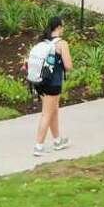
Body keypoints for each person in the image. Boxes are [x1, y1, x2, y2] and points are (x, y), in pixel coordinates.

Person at [27, 16, 72, 155]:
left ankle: (57, 140)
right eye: (62, 26)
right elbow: (68, 66)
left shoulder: (43, 42)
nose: (63, 29)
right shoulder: (61, 44)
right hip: (53, 83)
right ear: (58, 27)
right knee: (47, 113)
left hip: (41, 82)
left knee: (53, 111)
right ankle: (38, 146)